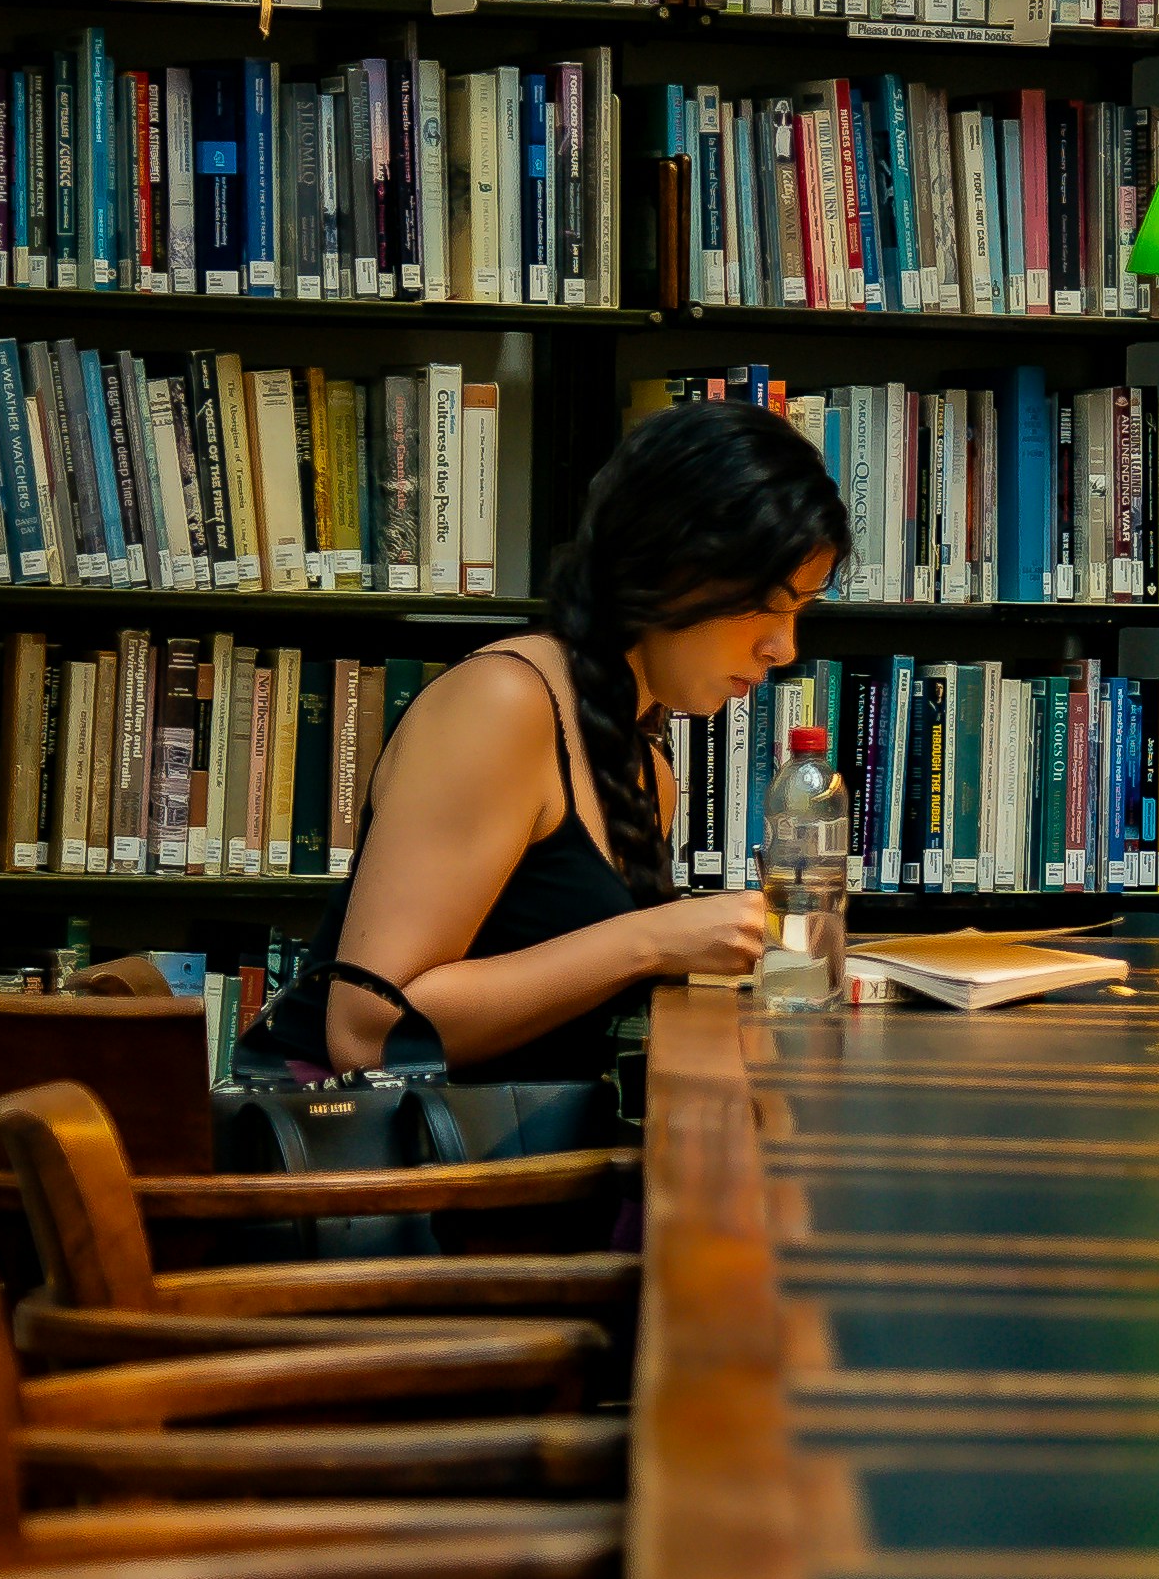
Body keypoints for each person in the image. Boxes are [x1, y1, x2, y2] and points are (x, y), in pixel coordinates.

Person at [247, 394, 848, 1087]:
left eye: (800, 610)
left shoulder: (646, 765)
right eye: (769, 605)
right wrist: (653, 941)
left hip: (512, 1157)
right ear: (671, 568)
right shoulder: (504, 704)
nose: (784, 647)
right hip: (379, 1173)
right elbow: (368, 1031)